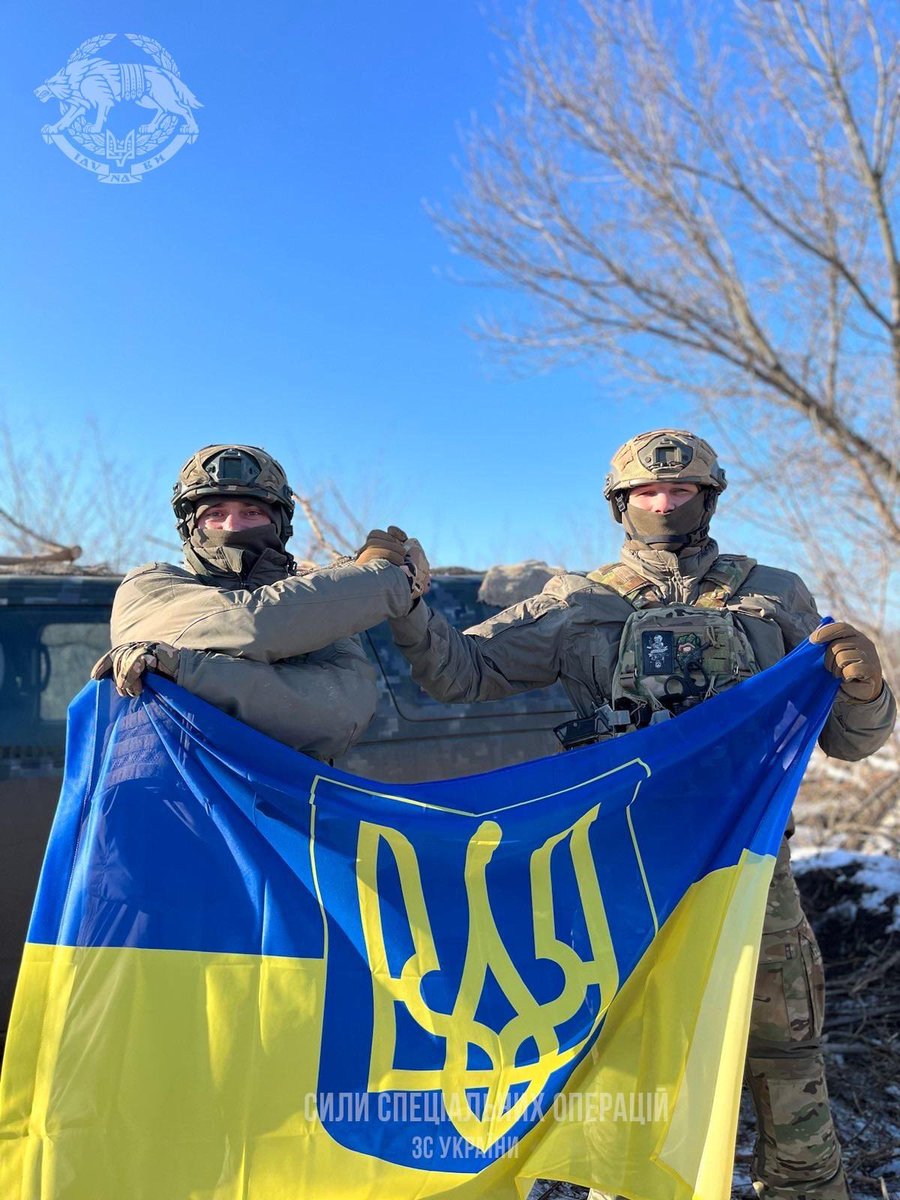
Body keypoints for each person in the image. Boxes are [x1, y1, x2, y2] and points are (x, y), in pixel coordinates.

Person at [389, 429, 895, 1200]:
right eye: (647, 494)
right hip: (624, 882)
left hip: (752, 876)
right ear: (620, 505)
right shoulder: (577, 601)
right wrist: (405, 603)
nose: (664, 505)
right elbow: (462, 673)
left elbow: (849, 744)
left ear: (708, 498)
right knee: (633, 1084)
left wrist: (867, 690)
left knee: (789, 1076)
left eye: (681, 491)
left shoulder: (775, 593)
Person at [92, 443, 426, 760]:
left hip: (288, 808)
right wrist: (386, 582)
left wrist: (188, 672)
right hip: (178, 804)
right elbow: (249, 622)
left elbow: (343, 711)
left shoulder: (330, 607)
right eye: (215, 513)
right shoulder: (149, 585)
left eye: (251, 512)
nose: (232, 526)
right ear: (190, 525)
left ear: (278, 524)